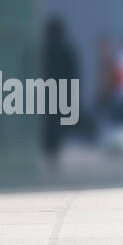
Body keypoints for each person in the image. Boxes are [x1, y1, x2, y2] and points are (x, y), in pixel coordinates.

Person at [39, 16, 80, 171]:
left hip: (46, 90)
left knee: (48, 122)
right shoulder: (67, 49)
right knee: (57, 122)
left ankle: (49, 151)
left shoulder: (44, 49)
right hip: (62, 91)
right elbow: (74, 74)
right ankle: (54, 153)